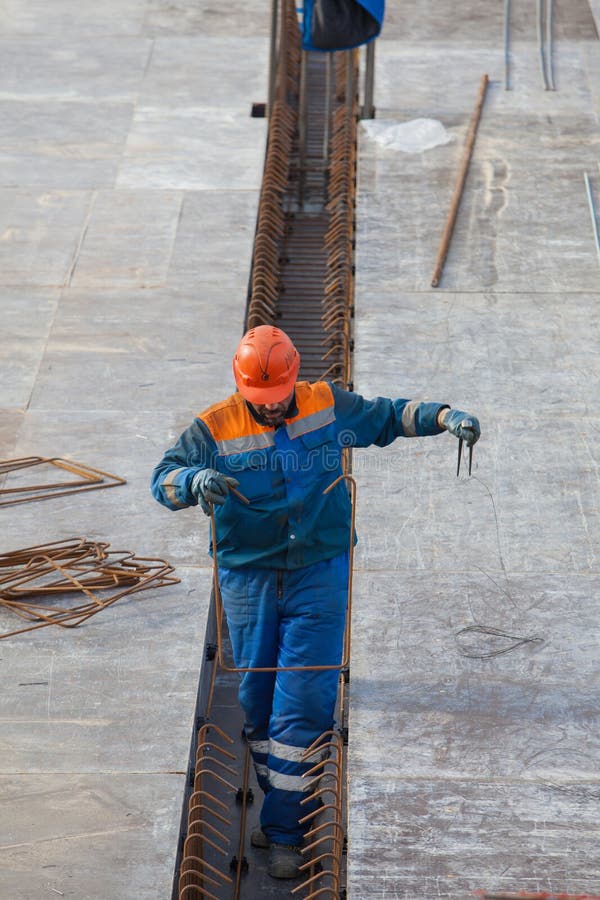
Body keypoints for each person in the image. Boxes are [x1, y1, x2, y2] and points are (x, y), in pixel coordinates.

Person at [150, 325, 480, 879]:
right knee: (257, 701)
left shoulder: (325, 405)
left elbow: (385, 417)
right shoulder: (214, 428)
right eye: (261, 399)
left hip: (319, 570)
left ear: (294, 379)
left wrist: (444, 416)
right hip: (249, 577)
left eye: (278, 396)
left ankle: (286, 831)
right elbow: (162, 480)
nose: (271, 406)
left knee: (303, 700)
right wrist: (193, 480)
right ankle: (280, 798)